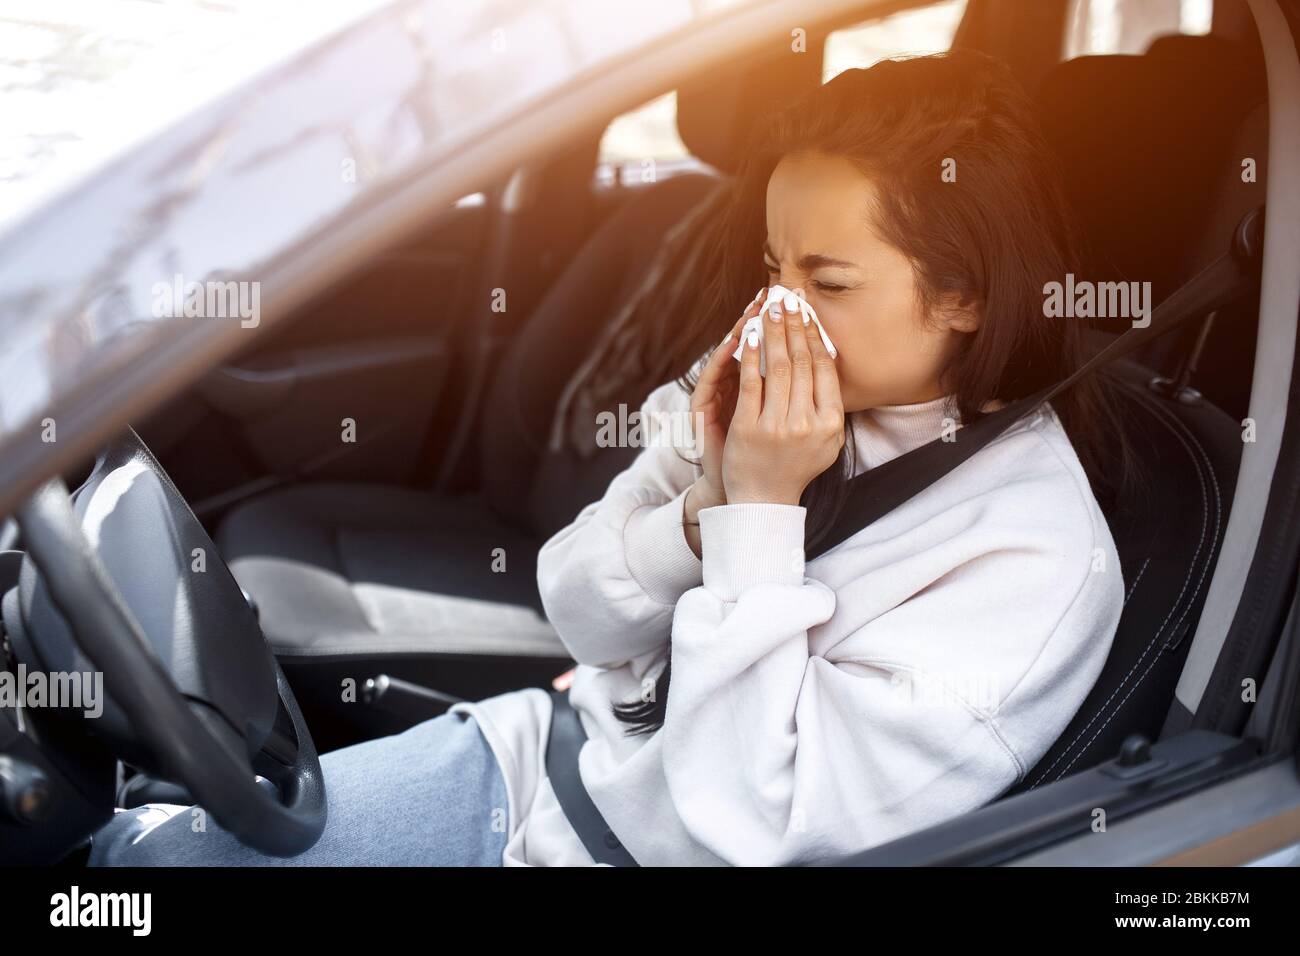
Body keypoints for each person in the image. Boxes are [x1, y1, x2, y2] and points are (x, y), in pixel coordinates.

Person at [90, 50, 1125, 867]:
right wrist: (699, 511)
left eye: (830, 281)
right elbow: (573, 602)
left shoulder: (1026, 557)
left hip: (611, 848)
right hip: (536, 757)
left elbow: (740, 824)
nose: (774, 315)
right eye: (772, 268)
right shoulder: (763, 384)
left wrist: (758, 519)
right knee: (139, 858)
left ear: (965, 294)